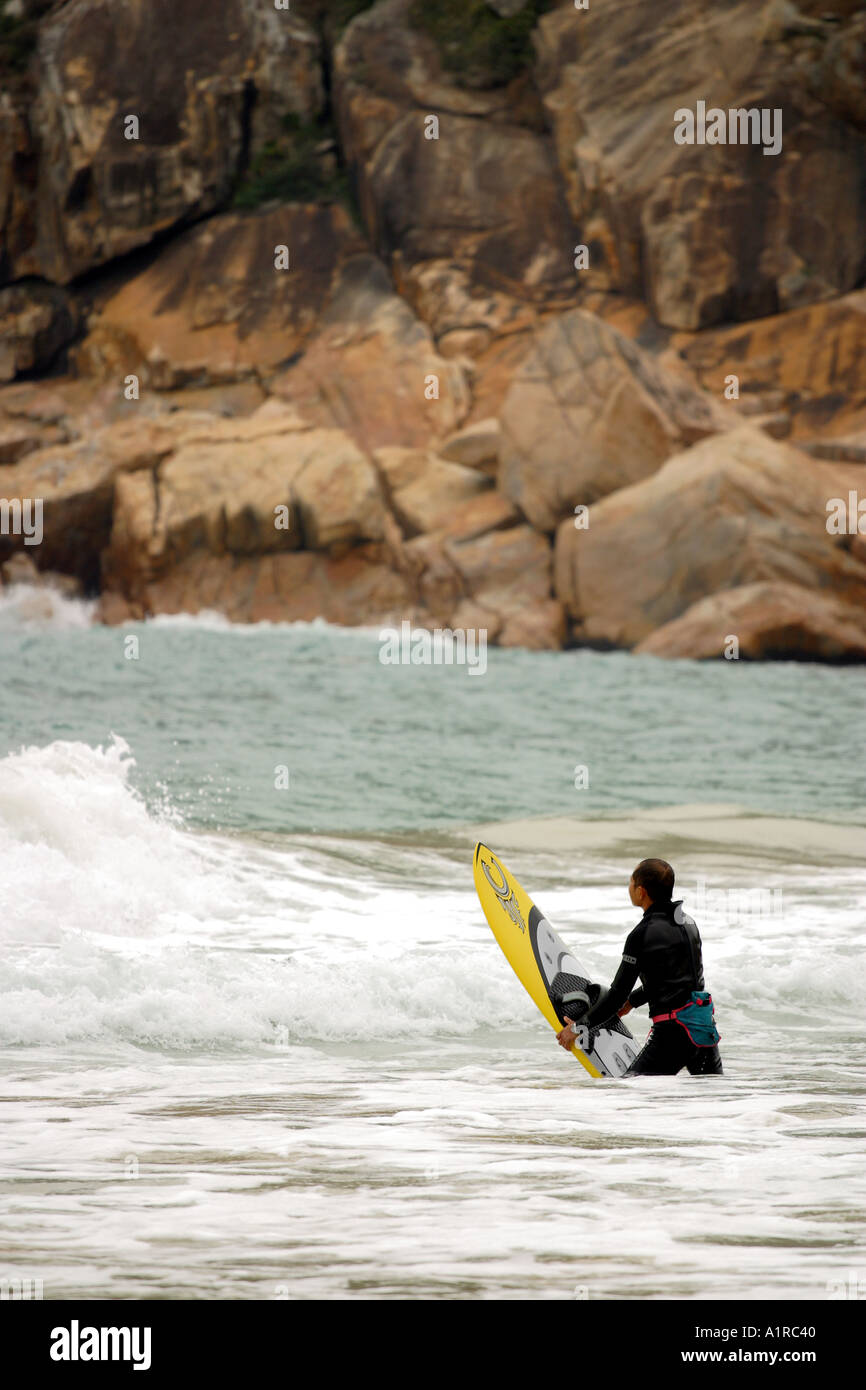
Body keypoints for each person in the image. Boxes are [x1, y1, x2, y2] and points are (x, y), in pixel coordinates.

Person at [555, 858, 723, 1076]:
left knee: (632, 1095)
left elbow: (616, 995)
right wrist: (632, 1002)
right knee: (714, 1100)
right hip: (704, 1031)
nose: (629, 888)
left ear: (641, 891)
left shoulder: (642, 934)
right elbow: (676, 981)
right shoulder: (688, 923)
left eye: (631, 882)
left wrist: (577, 1028)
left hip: (672, 1036)